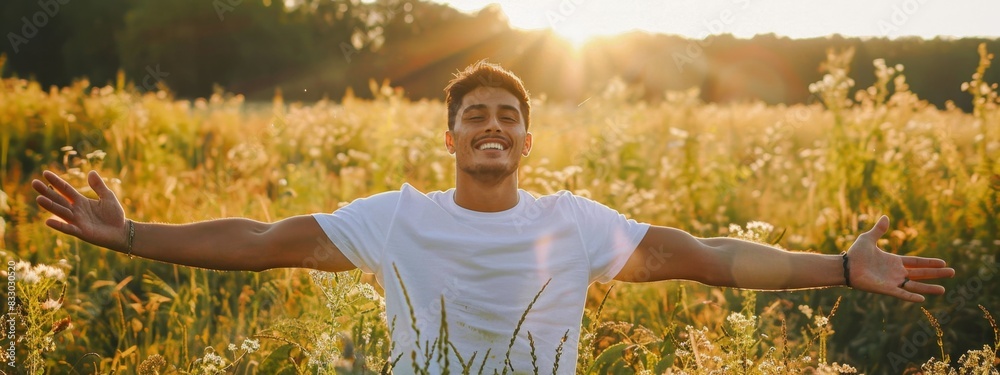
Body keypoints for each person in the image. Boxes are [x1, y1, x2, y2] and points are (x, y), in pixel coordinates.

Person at [32, 61, 955, 374]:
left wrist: (837, 266)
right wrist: (133, 234)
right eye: (475, 114)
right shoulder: (394, 218)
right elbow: (265, 240)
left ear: (525, 141)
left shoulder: (574, 221)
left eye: (508, 116)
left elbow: (708, 254)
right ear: (450, 137)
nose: (492, 125)